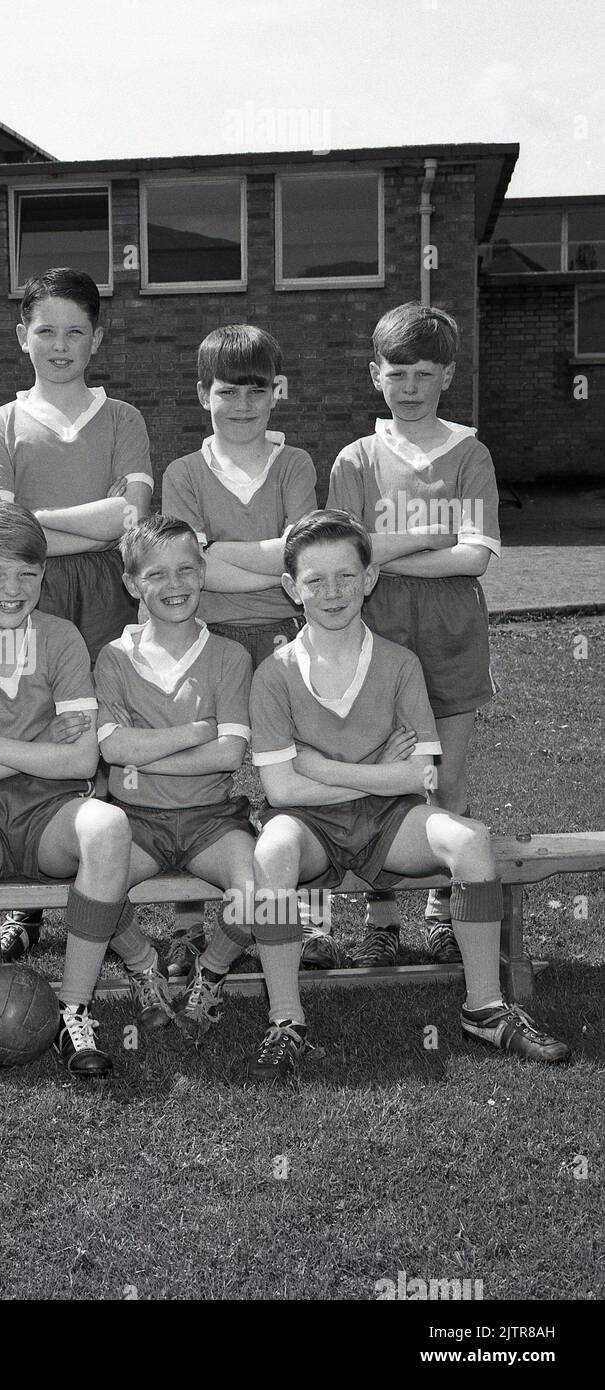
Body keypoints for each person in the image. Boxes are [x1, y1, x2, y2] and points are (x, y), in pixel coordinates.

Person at [244, 510, 569, 1081]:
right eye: (315, 580)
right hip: (308, 823)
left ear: (370, 578)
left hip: (387, 820)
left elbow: (419, 778)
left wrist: (325, 766)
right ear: (291, 589)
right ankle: (286, 1018)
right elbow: (280, 788)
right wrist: (375, 769)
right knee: (273, 850)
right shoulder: (274, 673)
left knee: (469, 839)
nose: (333, 592)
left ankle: (484, 1009)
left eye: (347, 576)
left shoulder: (398, 663)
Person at [0, 503, 133, 1080]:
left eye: (27, 574)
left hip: (49, 814)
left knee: (108, 826)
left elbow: (82, 759)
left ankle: (74, 1009)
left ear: (44, 574)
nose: (11, 589)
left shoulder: (61, 639)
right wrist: (36, 742)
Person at [0, 268, 153, 965]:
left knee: (105, 730)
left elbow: (131, 515)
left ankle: (105, 891)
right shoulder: (2, 422)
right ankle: (22, 900)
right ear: (22, 335)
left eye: (74, 331)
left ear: (96, 338)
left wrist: (36, 522)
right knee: (31, 723)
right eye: (44, 330)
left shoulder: (122, 419)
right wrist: (90, 522)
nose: (59, 344)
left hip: (109, 589)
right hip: (30, 595)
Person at [328, 303, 500, 968]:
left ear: (446, 376)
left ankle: (438, 911)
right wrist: (429, 537)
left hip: (453, 631)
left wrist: (384, 551)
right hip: (376, 630)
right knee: (385, 777)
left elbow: (473, 558)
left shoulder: (469, 452)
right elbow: (344, 552)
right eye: (396, 372)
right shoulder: (355, 459)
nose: (409, 387)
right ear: (376, 374)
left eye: (423, 374)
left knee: (444, 781)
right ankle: (379, 921)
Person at [160, 324, 324, 973]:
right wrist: (272, 559)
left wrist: (220, 554)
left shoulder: (295, 464)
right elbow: (188, 570)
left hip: (289, 639)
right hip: (209, 641)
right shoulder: (182, 473)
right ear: (203, 393)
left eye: (257, 389)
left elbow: (303, 553)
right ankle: (180, 925)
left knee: (293, 778)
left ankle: (292, 919)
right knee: (198, 778)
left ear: (275, 392)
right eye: (228, 390)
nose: (243, 404)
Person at [95, 515, 259, 1039]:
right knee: (95, 891)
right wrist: (194, 732)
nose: (174, 585)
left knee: (261, 893)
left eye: (186, 569)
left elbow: (229, 755)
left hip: (212, 819)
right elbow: (113, 746)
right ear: (132, 584)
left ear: (203, 571)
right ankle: (144, 967)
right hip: (135, 819)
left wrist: (139, 756)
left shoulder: (229, 655)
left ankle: (209, 973)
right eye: (157, 574)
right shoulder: (115, 657)